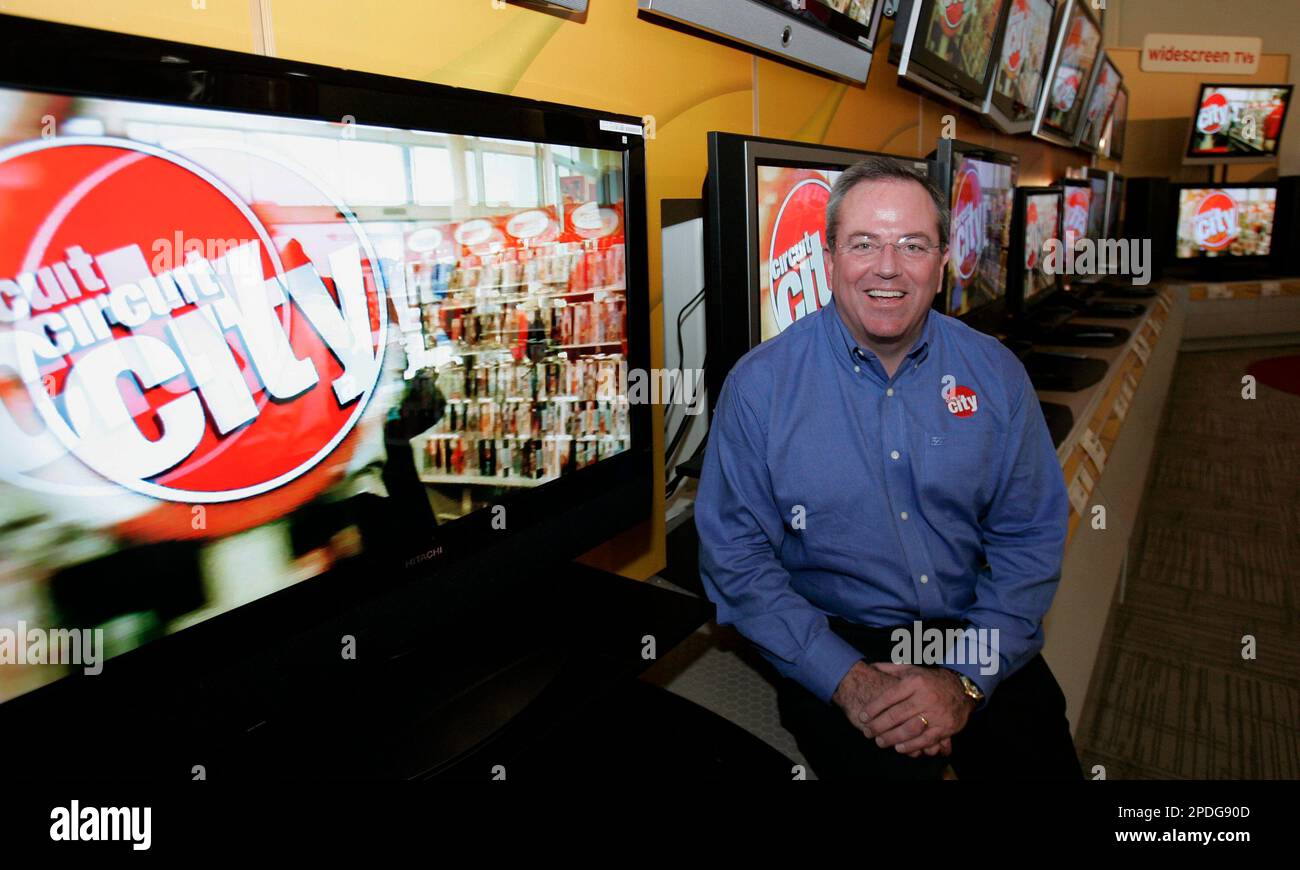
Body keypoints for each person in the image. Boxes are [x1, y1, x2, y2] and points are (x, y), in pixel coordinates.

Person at [696, 156, 1082, 780]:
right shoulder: (759, 388)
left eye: (913, 244)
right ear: (828, 260)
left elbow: (1030, 537)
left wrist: (964, 679)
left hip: (974, 624)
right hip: (841, 642)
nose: (888, 267)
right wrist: (849, 683)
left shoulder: (996, 374)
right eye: (864, 243)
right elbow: (735, 559)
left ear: (943, 261)